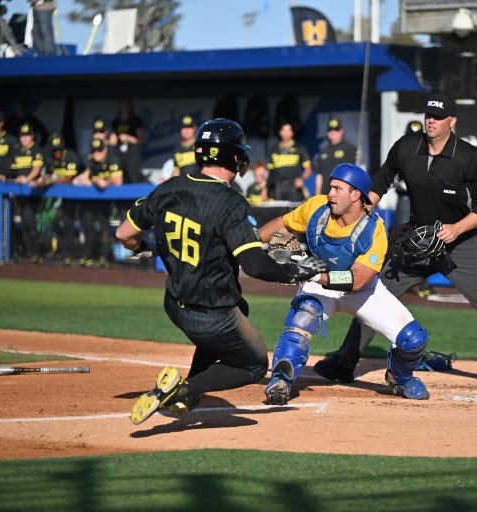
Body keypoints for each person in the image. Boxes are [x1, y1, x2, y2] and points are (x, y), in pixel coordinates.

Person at [313, 93, 477, 391]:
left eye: (438, 116)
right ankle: (344, 363)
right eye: (428, 115)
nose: (431, 120)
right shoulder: (407, 147)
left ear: (452, 121)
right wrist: (361, 215)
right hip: (417, 241)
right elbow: (380, 182)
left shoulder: (470, 156)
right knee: (371, 294)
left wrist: (457, 228)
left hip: (460, 244)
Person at [115, 118, 328, 426]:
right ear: (233, 156)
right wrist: (300, 271)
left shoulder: (168, 188)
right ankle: (181, 390)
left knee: (240, 307)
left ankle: (186, 392)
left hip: (174, 304)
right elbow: (254, 266)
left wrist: (147, 247)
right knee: (254, 366)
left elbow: (124, 234)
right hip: (211, 312)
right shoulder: (230, 203)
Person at [260, 163, 432, 405]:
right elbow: (283, 223)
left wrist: (312, 274)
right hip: (319, 284)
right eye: (331, 187)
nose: (330, 193)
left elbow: (357, 280)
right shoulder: (317, 208)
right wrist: (248, 243)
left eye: (337, 188)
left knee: (414, 340)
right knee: (301, 322)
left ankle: (400, 377)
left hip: (361, 290)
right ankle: (280, 381)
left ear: (355, 195)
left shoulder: (373, 229)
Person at [76, 138, 123, 267]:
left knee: (104, 228)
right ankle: (88, 255)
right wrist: (95, 181)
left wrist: (106, 182)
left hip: (106, 202)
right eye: (94, 151)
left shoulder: (112, 160)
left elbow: (118, 181)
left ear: (105, 150)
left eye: (99, 151)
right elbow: (84, 179)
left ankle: (104, 257)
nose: (97, 153)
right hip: (91, 200)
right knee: (87, 226)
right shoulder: (91, 161)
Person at [41, 133, 83, 265]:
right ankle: (69, 254)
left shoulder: (71, 156)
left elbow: (67, 179)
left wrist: (50, 181)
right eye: (54, 150)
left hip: (83, 196)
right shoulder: (50, 159)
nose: (57, 153)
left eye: (59, 149)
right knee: (66, 223)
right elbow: (45, 177)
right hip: (66, 198)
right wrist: (38, 182)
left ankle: (83, 255)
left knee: (84, 224)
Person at [9, 122, 45, 261]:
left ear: (32, 136)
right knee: (23, 224)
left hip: (33, 194)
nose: (24, 138)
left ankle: (37, 252)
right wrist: (9, 178)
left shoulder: (36, 150)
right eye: (22, 136)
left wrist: (26, 178)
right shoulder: (17, 151)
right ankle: (28, 252)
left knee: (30, 222)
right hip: (20, 194)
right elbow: (13, 171)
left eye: (27, 135)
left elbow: (37, 170)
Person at [267, 122, 312, 201]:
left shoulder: (299, 148)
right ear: (279, 132)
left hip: (294, 187)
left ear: (292, 132)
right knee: (278, 209)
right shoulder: (274, 149)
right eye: (283, 130)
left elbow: (308, 169)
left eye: (288, 130)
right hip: (278, 187)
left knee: (295, 208)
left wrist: (302, 179)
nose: (286, 133)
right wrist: (266, 188)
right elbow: (270, 172)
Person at [314, 118, 358, 195]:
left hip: (342, 194)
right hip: (325, 194)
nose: (333, 133)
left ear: (342, 131)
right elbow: (319, 175)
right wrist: (317, 194)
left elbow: (352, 173)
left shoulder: (349, 149)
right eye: (330, 130)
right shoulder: (323, 151)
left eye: (336, 130)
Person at [110, 98, 146, 184]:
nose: (124, 107)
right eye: (122, 104)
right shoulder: (116, 121)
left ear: (130, 106)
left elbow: (141, 138)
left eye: (126, 104)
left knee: (133, 175)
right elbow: (112, 141)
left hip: (132, 152)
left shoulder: (135, 120)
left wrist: (128, 138)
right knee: (120, 173)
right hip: (119, 152)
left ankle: (134, 192)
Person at [171, 113, 198, 178]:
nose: (186, 130)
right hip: (183, 183)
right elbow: (176, 171)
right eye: (184, 127)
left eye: (189, 127)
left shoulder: (200, 146)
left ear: (195, 128)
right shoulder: (177, 149)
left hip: (199, 182)